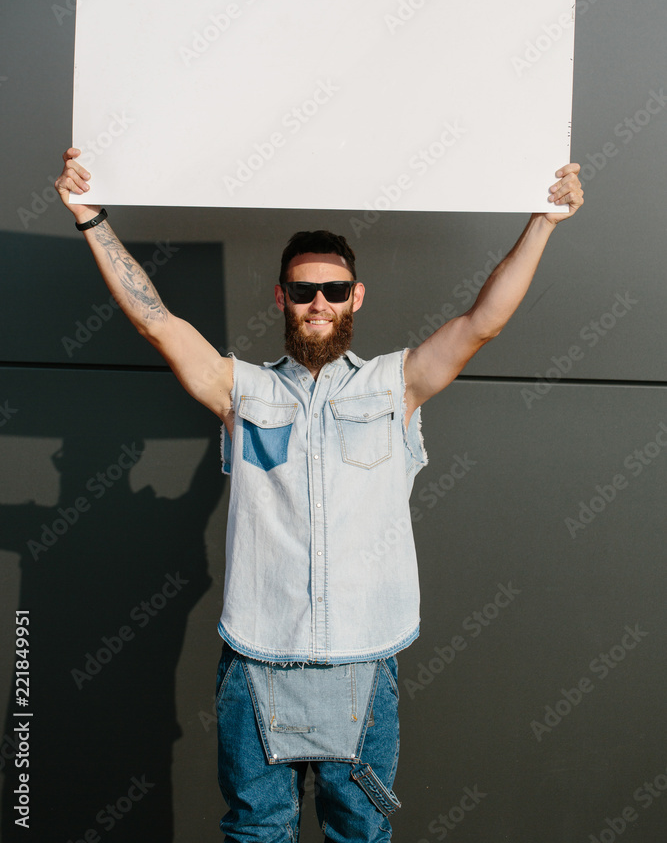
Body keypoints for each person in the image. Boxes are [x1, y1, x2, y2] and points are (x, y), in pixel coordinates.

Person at [55, 147, 583, 841]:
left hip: (364, 658)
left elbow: (482, 322)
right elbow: (156, 322)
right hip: (256, 657)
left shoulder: (396, 385)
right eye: (303, 291)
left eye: (334, 290)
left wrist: (544, 221)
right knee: (256, 833)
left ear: (356, 297)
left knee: (359, 835)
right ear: (282, 298)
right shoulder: (241, 391)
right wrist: (91, 218)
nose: (318, 304)